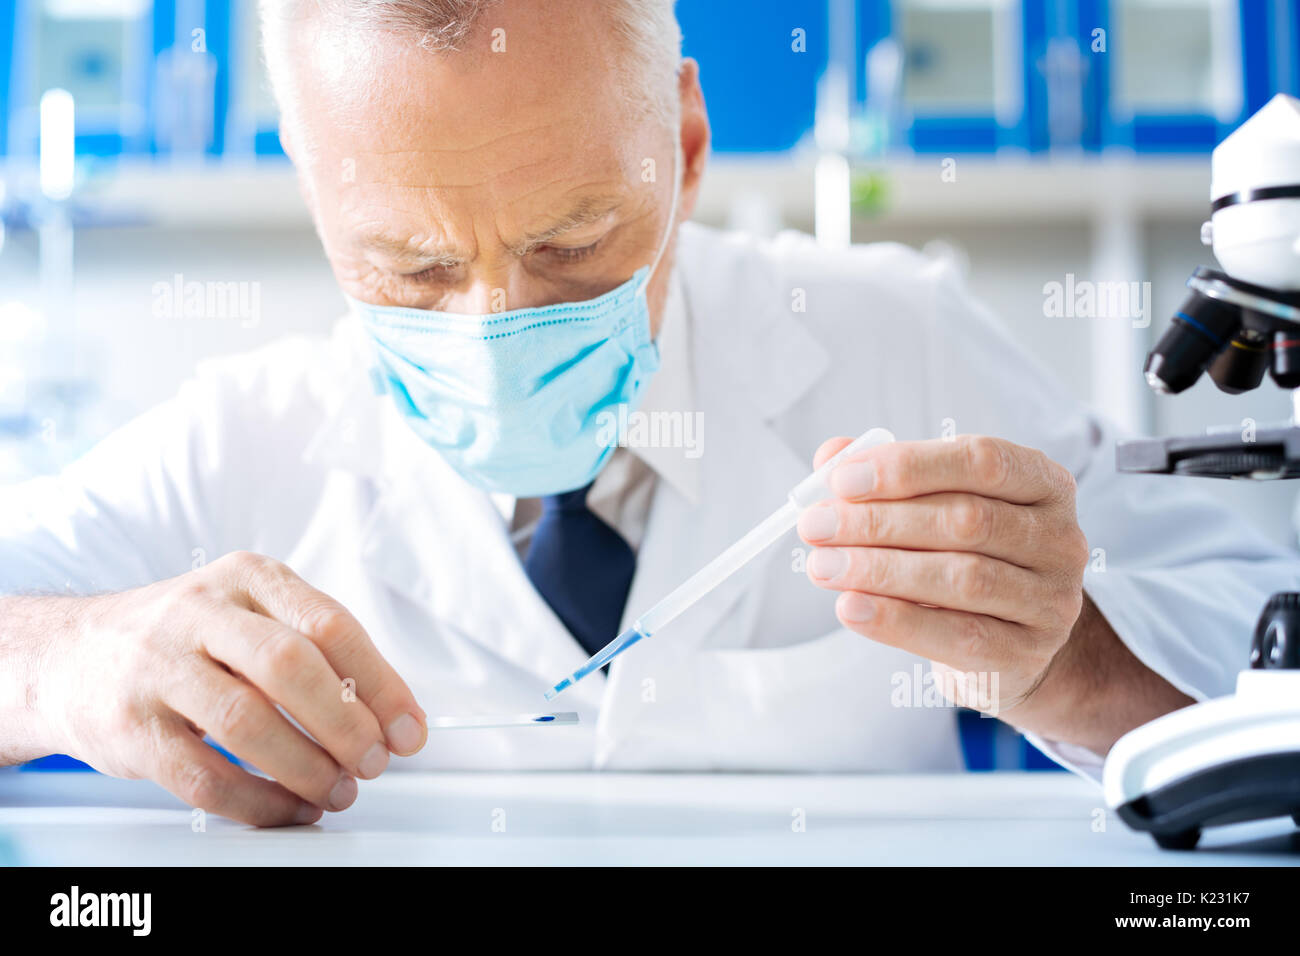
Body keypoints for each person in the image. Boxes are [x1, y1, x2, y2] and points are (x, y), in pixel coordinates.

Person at [1, 0, 1295, 827]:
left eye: (573, 245)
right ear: (314, 188)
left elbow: (1259, 649)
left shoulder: (897, 338)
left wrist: (1077, 667)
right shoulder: (243, 442)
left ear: (681, 145)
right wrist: (64, 663)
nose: (496, 329)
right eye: (412, 269)